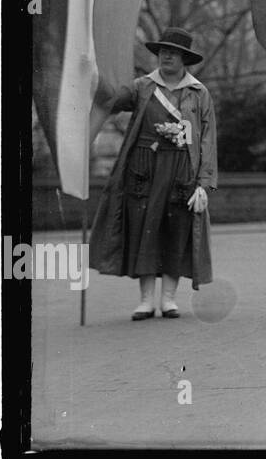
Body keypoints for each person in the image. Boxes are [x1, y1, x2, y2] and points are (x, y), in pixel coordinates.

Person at [89, 27, 216, 320]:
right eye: (163, 52)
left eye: (173, 52)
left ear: (184, 58)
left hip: (182, 168)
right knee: (144, 229)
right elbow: (110, 99)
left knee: (176, 230)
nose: (167, 56)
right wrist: (92, 75)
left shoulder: (199, 93)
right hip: (144, 168)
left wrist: (205, 183)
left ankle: (168, 299)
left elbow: (207, 138)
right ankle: (146, 300)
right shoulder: (142, 87)